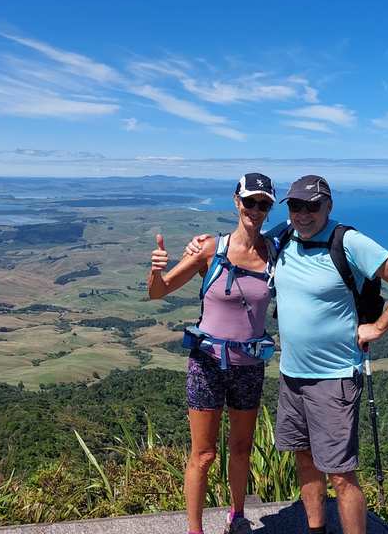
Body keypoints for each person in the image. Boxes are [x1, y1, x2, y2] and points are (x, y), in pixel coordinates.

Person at [186, 175, 388, 534]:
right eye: (296, 206)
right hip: (292, 376)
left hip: (335, 378)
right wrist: (204, 243)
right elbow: (244, 241)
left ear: (328, 206)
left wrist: (378, 327)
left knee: (342, 475)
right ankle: (315, 529)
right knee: (306, 460)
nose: (303, 214)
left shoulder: (348, 241)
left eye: (312, 206)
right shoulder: (284, 237)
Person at [148, 173, 278, 534]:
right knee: (203, 455)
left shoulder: (274, 254)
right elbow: (160, 292)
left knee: (241, 449)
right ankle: (195, 529)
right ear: (236, 201)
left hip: (249, 365)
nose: (255, 209)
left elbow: (310, 229)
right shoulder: (210, 249)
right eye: (249, 201)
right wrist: (156, 269)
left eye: (263, 203)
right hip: (206, 363)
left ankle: (236, 515)